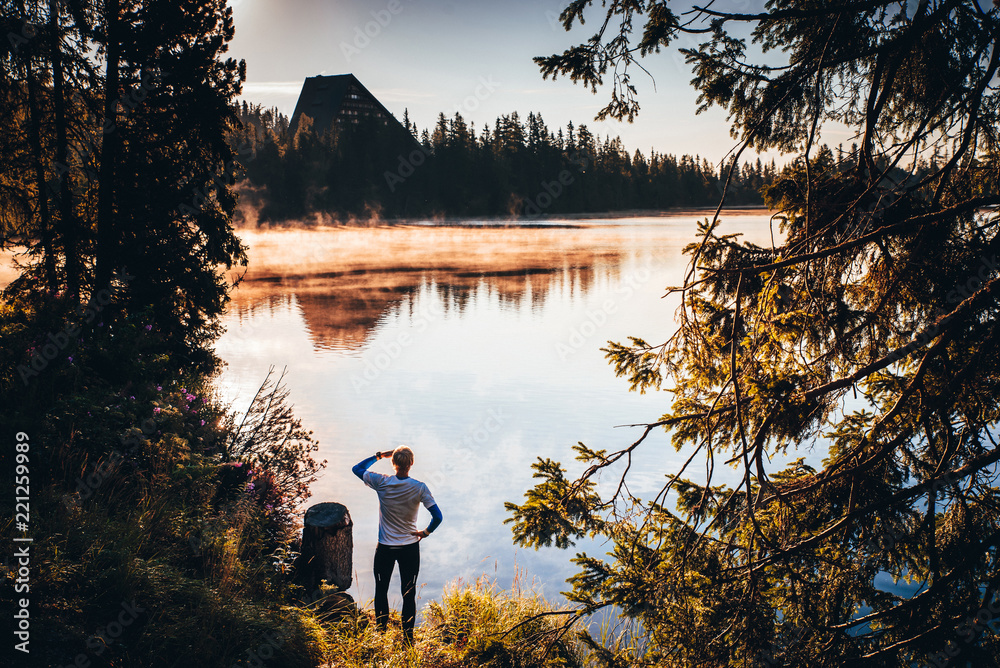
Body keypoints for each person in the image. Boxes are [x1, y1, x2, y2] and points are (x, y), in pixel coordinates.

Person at [353, 445, 442, 643]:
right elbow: (438, 516)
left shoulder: (381, 481)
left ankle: (381, 634)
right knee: (408, 593)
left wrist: (378, 456)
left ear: (393, 463)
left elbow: (357, 469)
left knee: (381, 589)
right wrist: (425, 532)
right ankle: (408, 640)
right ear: (411, 463)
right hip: (409, 548)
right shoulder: (420, 487)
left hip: (385, 547)